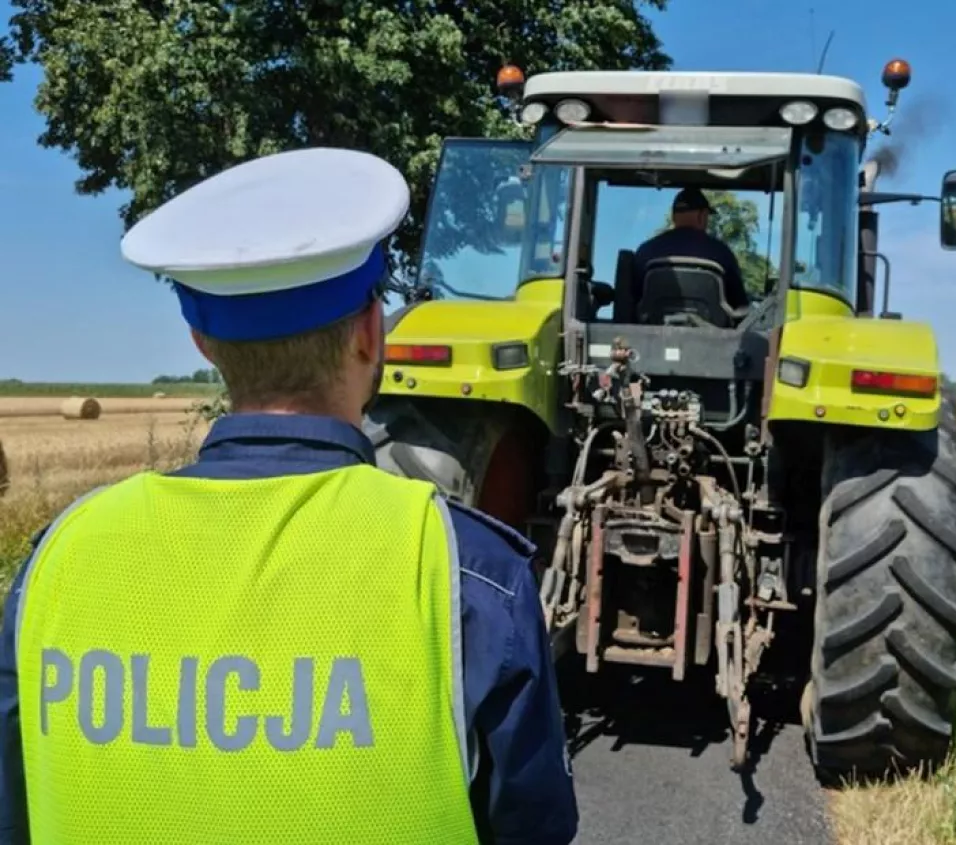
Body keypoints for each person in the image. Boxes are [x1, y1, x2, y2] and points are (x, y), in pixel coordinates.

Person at [0, 147, 578, 845]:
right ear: (372, 333)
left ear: (202, 341)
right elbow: (532, 827)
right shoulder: (469, 574)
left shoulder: (56, 563)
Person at [632, 187, 749, 310]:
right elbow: (740, 306)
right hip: (709, 329)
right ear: (702, 215)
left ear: (673, 216)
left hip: (651, 327)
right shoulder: (722, 252)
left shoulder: (645, 251)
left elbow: (631, 301)